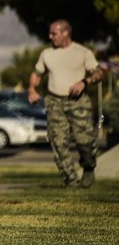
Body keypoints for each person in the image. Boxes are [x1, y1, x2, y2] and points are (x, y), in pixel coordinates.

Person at [28, 20, 103, 188]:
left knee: (85, 141)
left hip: (78, 102)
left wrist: (85, 81)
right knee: (58, 142)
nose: (50, 37)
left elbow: (98, 73)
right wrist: (32, 89)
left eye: (53, 33)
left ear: (65, 33)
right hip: (54, 102)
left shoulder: (82, 52)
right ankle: (71, 180)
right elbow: (36, 74)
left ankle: (89, 166)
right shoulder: (46, 54)